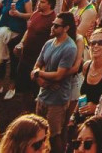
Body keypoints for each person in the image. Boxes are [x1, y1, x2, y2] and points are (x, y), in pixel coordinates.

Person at [34, 12, 79, 153]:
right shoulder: (48, 43)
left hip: (57, 100)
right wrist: (40, 80)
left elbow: (60, 75)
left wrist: (38, 74)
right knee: (38, 132)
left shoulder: (70, 48)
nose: (52, 27)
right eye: (53, 24)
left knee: (54, 136)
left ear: (66, 28)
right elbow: (36, 65)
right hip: (43, 96)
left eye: (56, 26)